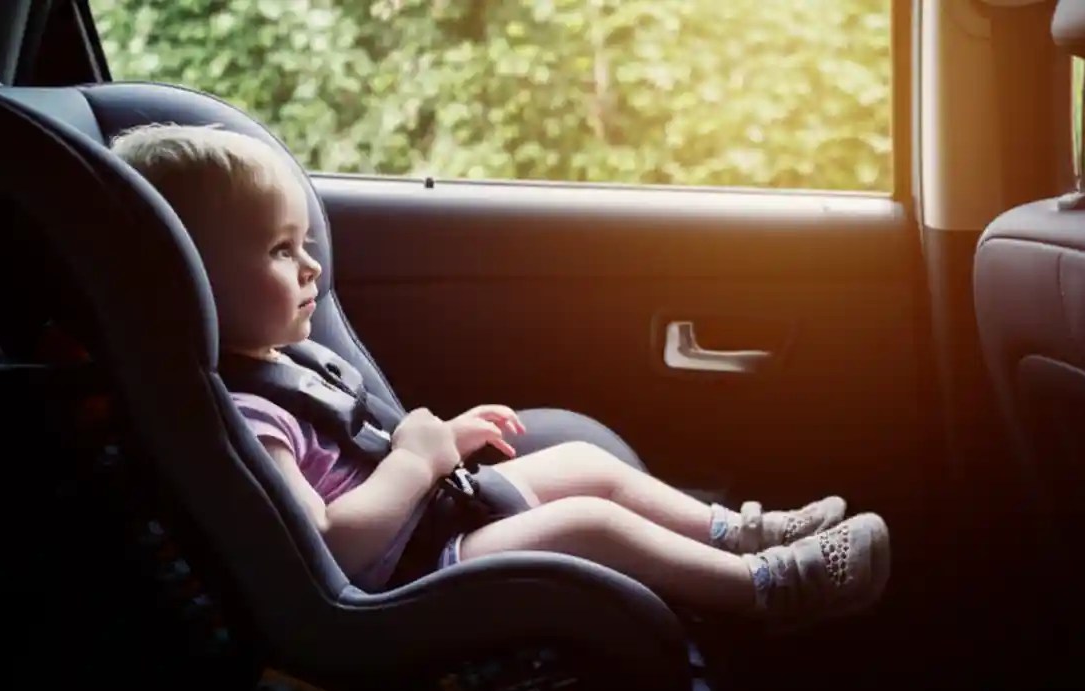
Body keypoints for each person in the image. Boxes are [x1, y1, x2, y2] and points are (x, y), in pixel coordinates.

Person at [111, 123, 890, 627]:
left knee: (588, 466)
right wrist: (420, 460)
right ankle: (764, 586)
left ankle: (742, 531)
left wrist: (444, 440)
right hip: (405, 578)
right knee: (590, 524)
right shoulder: (246, 417)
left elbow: (362, 452)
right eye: (281, 252)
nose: (313, 265)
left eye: (303, 241)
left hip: (427, 518)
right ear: (188, 282)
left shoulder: (283, 362)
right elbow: (327, 545)